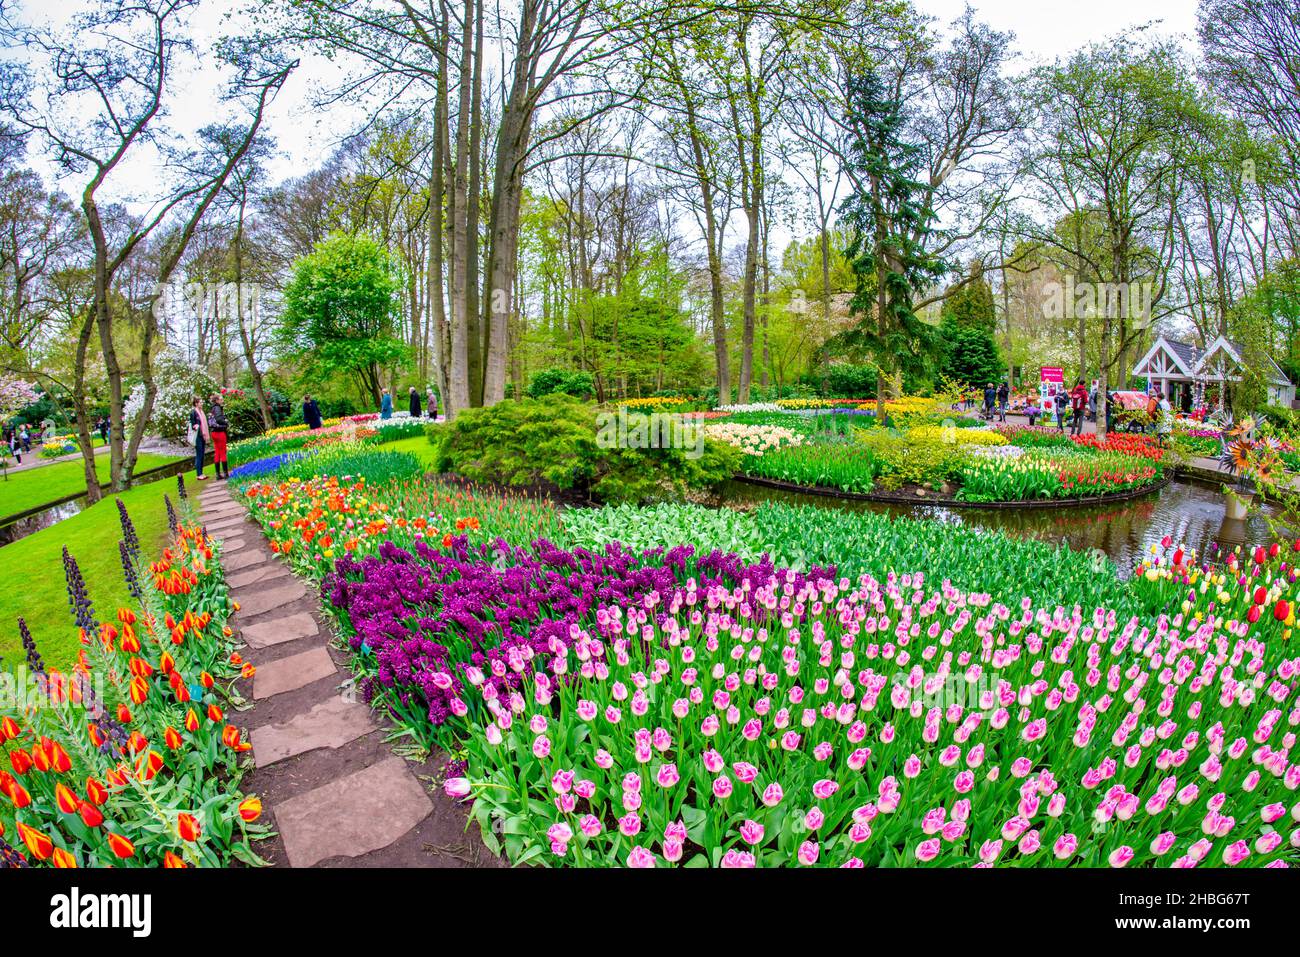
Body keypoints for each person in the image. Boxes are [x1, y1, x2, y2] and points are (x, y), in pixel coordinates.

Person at [208, 393, 230, 480]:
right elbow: (219, 419)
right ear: (217, 400)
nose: (222, 401)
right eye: (221, 399)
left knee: (217, 452)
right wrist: (226, 422)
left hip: (213, 433)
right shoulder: (217, 408)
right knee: (223, 452)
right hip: (219, 432)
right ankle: (225, 473)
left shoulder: (212, 408)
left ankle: (217, 474)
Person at [189, 396, 210, 481]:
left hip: (202, 435)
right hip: (197, 436)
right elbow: (193, 424)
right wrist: (196, 426)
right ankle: (199, 474)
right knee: (199, 454)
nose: (202, 404)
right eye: (200, 402)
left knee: (202, 454)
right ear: (196, 403)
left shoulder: (201, 412)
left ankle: (201, 473)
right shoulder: (193, 412)